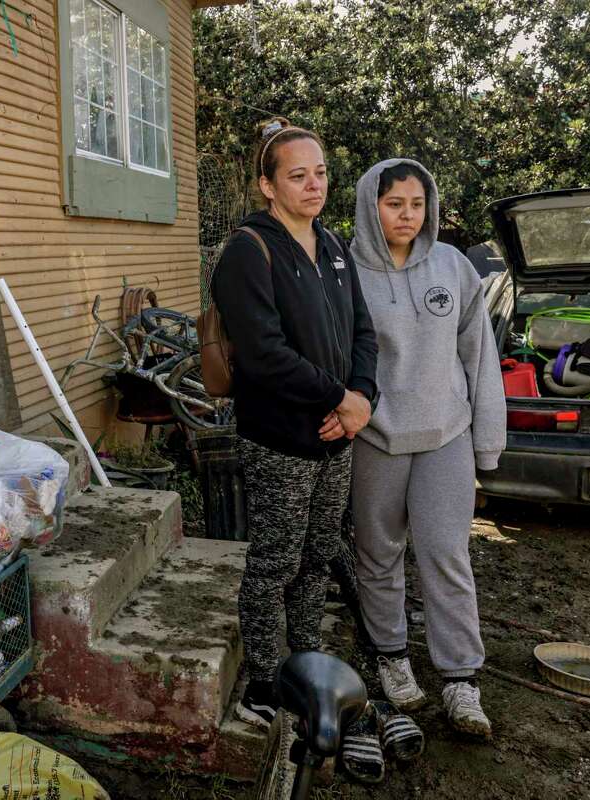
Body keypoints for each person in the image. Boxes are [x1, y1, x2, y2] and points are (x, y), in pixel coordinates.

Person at [211, 118, 379, 729]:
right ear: (267, 184)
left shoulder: (334, 248)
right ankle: (262, 680)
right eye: (297, 175)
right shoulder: (247, 252)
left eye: (321, 173)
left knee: (317, 558)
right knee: (275, 562)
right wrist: (340, 398)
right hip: (281, 437)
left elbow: (363, 331)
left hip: (339, 435)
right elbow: (262, 353)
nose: (314, 186)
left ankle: (306, 663)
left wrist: (361, 396)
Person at [349, 158, 506, 737]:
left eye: (417, 205)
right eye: (395, 205)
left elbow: (479, 356)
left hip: (446, 433)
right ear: (372, 206)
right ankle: (392, 657)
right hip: (376, 438)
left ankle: (462, 680)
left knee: (445, 551)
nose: (407, 216)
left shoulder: (453, 266)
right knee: (379, 553)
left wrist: (487, 442)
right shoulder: (346, 271)